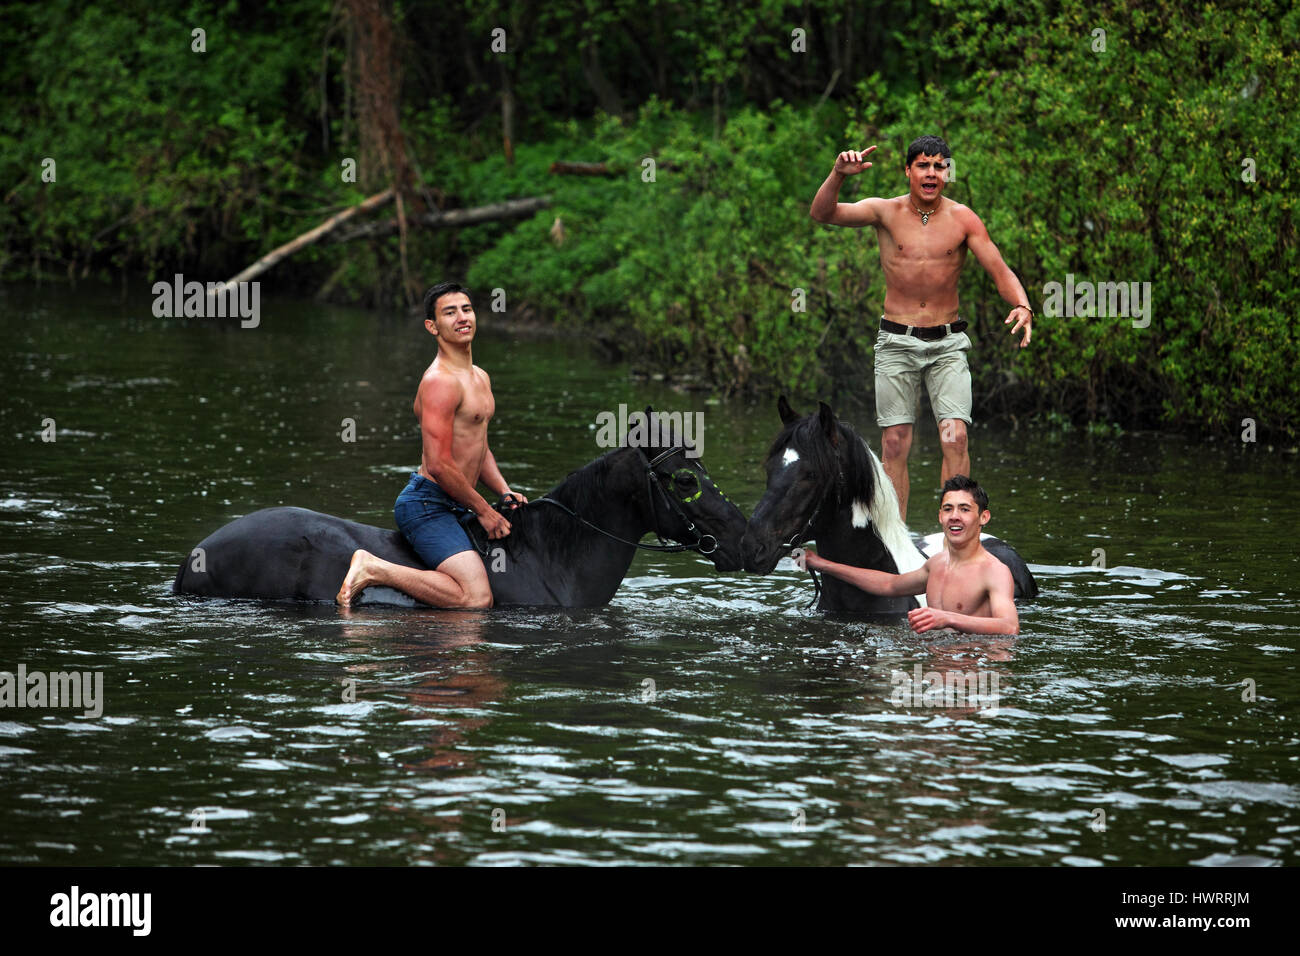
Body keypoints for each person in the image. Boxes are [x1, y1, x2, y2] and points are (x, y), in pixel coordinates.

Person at [810, 134, 1033, 522]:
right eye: (923, 165)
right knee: (895, 443)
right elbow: (823, 213)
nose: (932, 173)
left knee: (956, 436)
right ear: (908, 171)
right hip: (896, 340)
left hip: (947, 343)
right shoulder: (885, 212)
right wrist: (837, 175)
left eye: (939, 166)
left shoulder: (963, 218)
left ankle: (955, 531)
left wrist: (1022, 303)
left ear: (947, 172)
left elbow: (998, 268)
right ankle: (893, 538)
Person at [336, 282, 526, 608]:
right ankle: (374, 567)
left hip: (458, 503)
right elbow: (438, 463)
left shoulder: (479, 376)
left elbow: (478, 446)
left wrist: (503, 493)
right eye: (449, 313)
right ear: (432, 326)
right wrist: (484, 511)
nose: (462, 318)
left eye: (466, 309)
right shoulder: (440, 382)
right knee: (476, 598)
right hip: (429, 505)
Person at [797, 475, 1018, 635]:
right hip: (936, 668)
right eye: (948, 509)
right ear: (940, 516)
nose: (955, 517)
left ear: (984, 517)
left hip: (975, 672)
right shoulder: (937, 564)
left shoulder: (994, 571)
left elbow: (1009, 627)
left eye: (965, 509)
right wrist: (821, 563)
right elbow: (890, 585)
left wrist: (948, 618)